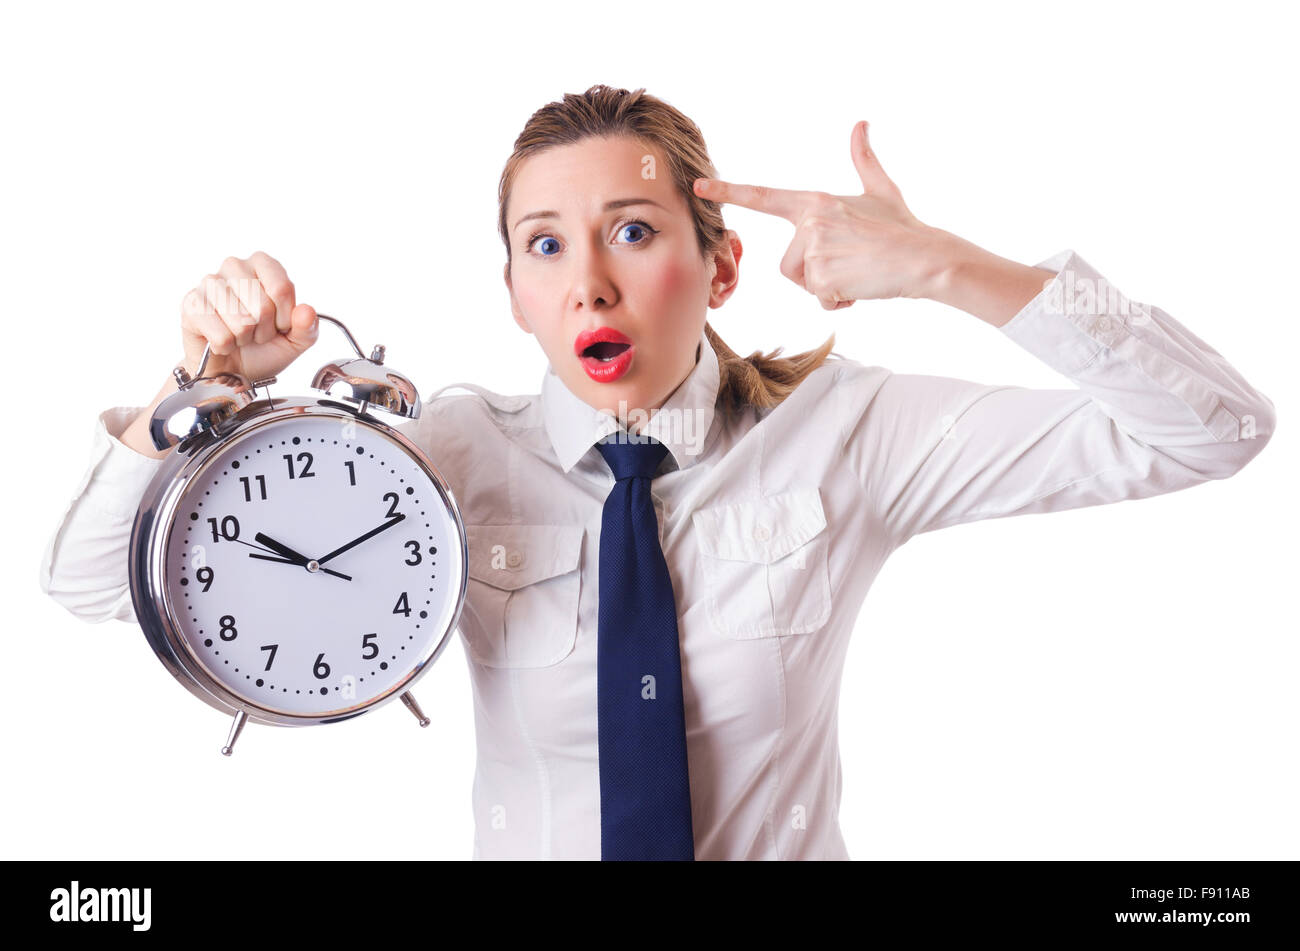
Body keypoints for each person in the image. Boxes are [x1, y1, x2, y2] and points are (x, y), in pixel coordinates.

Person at [39, 84, 1276, 860]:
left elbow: (1214, 430)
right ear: (515, 293)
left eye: (633, 232)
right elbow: (91, 587)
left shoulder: (849, 435)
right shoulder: (447, 460)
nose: (591, 281)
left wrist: (948, 267)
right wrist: (194, 395)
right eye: (547, 245)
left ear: (720, 266)